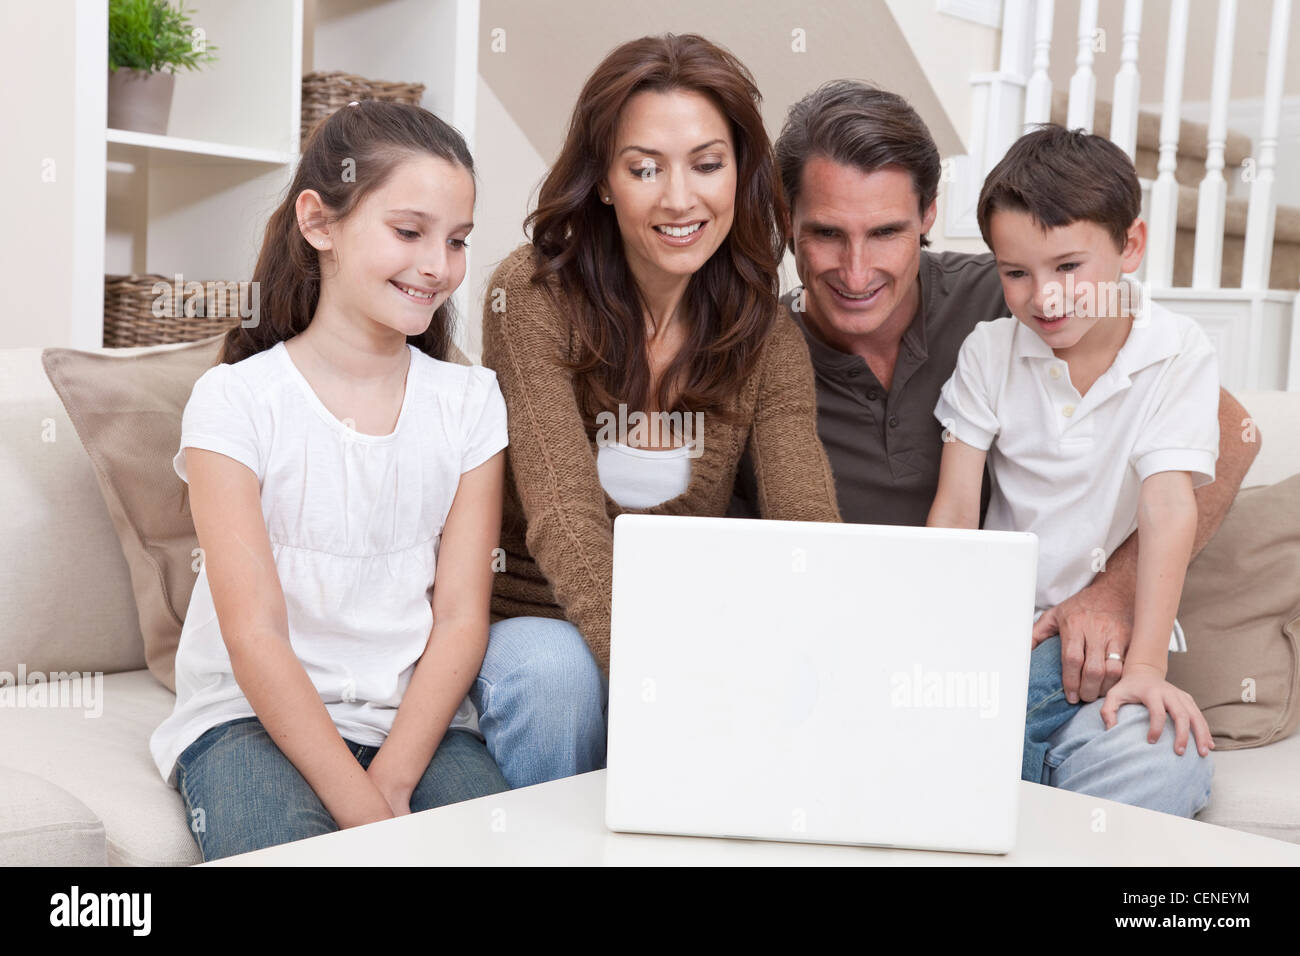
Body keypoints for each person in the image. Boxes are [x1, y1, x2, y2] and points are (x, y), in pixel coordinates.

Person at [732, 80, 1259, 813]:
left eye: (885, 232)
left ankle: (984, 793)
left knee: (1160, 762)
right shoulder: (748, 350)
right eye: (826, 233)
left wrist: (1111, 595)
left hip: (1063, 669)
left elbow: (1233, 433)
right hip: (897, 666)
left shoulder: (1010, 295)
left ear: (927, 216)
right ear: (788, 223)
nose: (856, 272)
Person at [474, 33, 842, 789]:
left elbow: (807, 521)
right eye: (645, 168)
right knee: (558, 677)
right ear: (604, 180)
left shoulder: (768, 333)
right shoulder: (531, 297)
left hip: (686, 626)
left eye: (708, 164)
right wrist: (664, 676)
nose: (680, 199)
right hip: (532, 619)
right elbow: (564, 517)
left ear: (740, 173)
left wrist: (826, 650)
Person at [149, 100, 509, 861]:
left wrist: (396, 780)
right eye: (408, 232)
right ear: (319, 223)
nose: (437, 265)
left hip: (413, 724)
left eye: (457, 241)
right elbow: (254, 635)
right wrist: (368, 820)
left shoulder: (470, 402)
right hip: (247, 718)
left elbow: (459, 620)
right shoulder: (237, 401)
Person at [927, 125, 1218, 814]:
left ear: (1131, 247)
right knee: (995, 695)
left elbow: (1170, 506)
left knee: (1163, 759)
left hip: (1109, 651)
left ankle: (989, 780)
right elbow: (955, 508)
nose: (1044, 299)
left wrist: (1146, 667)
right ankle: (1010, 784)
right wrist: (939, 633)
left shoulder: (1178, 351)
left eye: (1068, 268)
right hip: (1000, 633)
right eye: (1016, 273)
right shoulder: (990, 351)